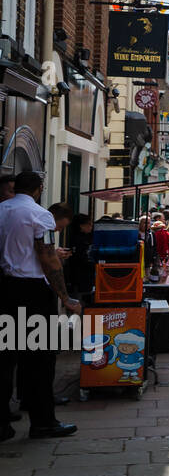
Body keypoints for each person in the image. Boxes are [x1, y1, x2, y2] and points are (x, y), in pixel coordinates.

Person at [0, 172, 80, 440]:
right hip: (31, 290)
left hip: (4, 288)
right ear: (38, 189)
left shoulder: (1, 210)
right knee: (38, 360)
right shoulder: (39, 215)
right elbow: (47, 258)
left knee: (5, 357)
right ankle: (43, 421)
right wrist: (65, 297)